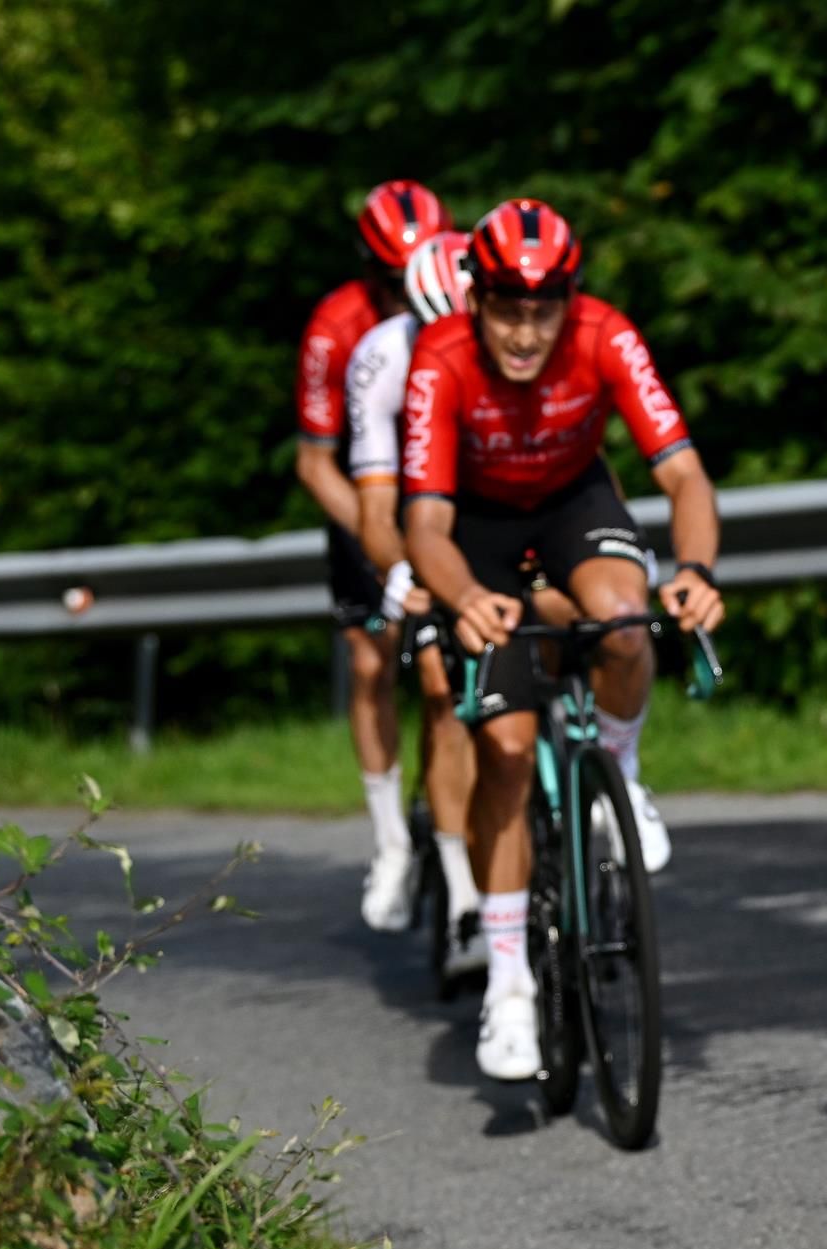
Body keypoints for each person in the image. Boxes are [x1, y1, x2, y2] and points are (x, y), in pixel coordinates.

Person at [401, 199, 725, 1081]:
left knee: (625, 620)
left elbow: (684, 471)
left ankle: (617, 769)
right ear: (477, 298)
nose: (524, 331)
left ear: (571, 300)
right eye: (507, 307)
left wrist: (693, 570)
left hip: (575, 500)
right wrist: (463, 596)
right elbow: (422, 521)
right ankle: (508, 983)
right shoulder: (440, 359)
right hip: (474, 530)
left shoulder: (607, 335)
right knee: (504, 749)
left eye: (544, 309)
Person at [297, 179, 448, 932]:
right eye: (390, 281)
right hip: (366, 496)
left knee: (443, 670)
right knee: (371, 659)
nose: (405, 293)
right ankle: (391, 839)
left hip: (444, 489)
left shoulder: (459, 301)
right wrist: (378, 532)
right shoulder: (338, 326)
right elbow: (315, 462)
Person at [345, 230, 485, 982]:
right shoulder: (382, 360)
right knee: (440, 683)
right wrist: (400, 575)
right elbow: (377, 503)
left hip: (492, 501)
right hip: (414, 509)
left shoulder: (514, 346)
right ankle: (462, 889)